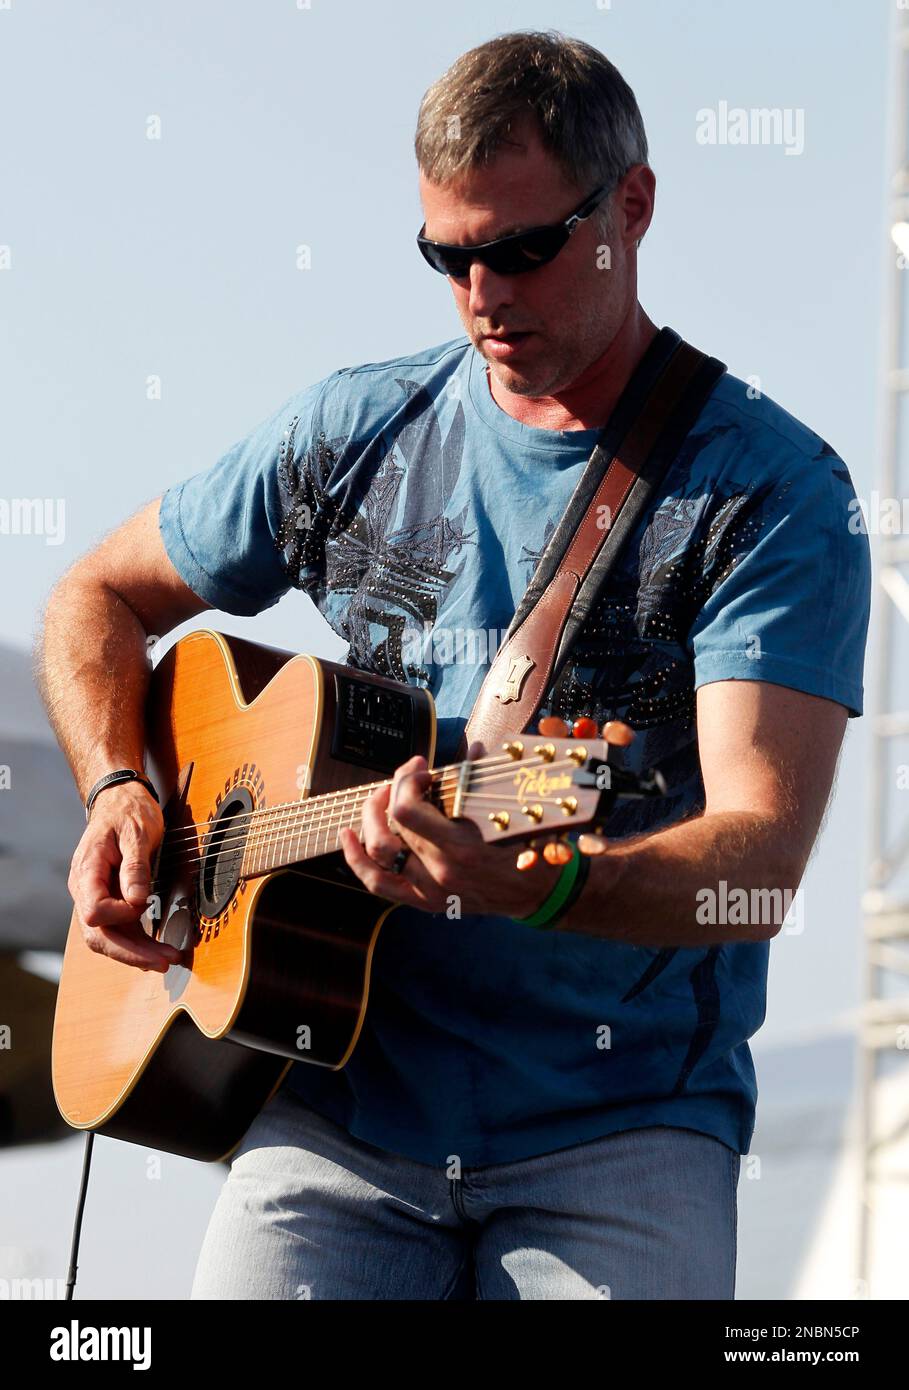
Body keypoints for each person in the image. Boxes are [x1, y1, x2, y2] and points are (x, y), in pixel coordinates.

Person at [37, 30, 871, 1300]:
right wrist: (118, 789)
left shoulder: (767, 493)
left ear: (630, 206)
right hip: (332, 1110)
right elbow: (94, 595)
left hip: (622, 1131)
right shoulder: (353, 430)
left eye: (523, 247)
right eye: (448, 256)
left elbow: (755, 866)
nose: (484, 292)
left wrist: (535, 890)